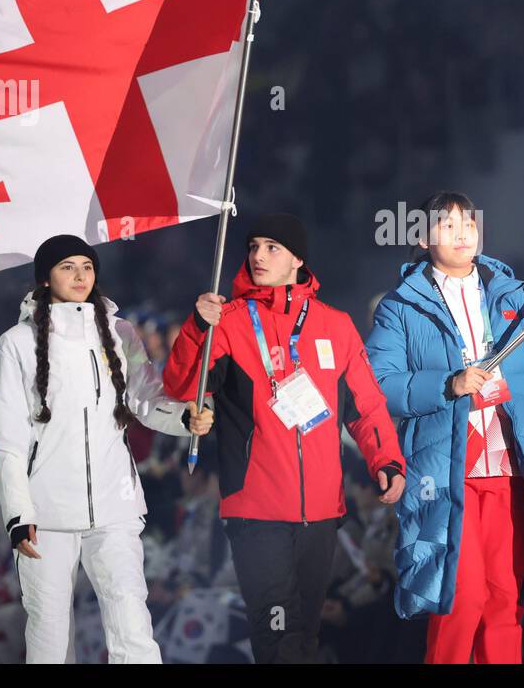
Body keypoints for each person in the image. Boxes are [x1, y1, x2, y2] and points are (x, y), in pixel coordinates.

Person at [365, 191, 524, 663]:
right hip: (446, 473)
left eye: (468, 225)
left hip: (511, 466)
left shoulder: (511, 294)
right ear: (422, 236)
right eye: (447, 225)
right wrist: (449, 384)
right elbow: (379, 384)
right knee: (459, 600)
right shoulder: (401, 306)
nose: (461, 234)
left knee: (503, 602)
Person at [162, 212, 406, 663]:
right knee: (277, 636)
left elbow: (366, 406)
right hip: (256, 510)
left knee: (304, 637)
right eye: (253, 246)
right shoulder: (228, 322)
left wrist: (386, 461)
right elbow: (179, 386)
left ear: (297, 259)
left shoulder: (335, 326)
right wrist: (197, 329)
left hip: (321, 511)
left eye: (272, 247)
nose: (258, 255)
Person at [0, 234, 212, 664]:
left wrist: (184, 419)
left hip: (115, 506)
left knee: (131, 621)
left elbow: (146, 400)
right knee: (50, 630)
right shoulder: (16, 343)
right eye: (67, 267)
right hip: (47, 514)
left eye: (87, 267)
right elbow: (9, 443)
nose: (79, 276)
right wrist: (19, 515)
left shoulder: (118, 332)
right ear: (45, 278)